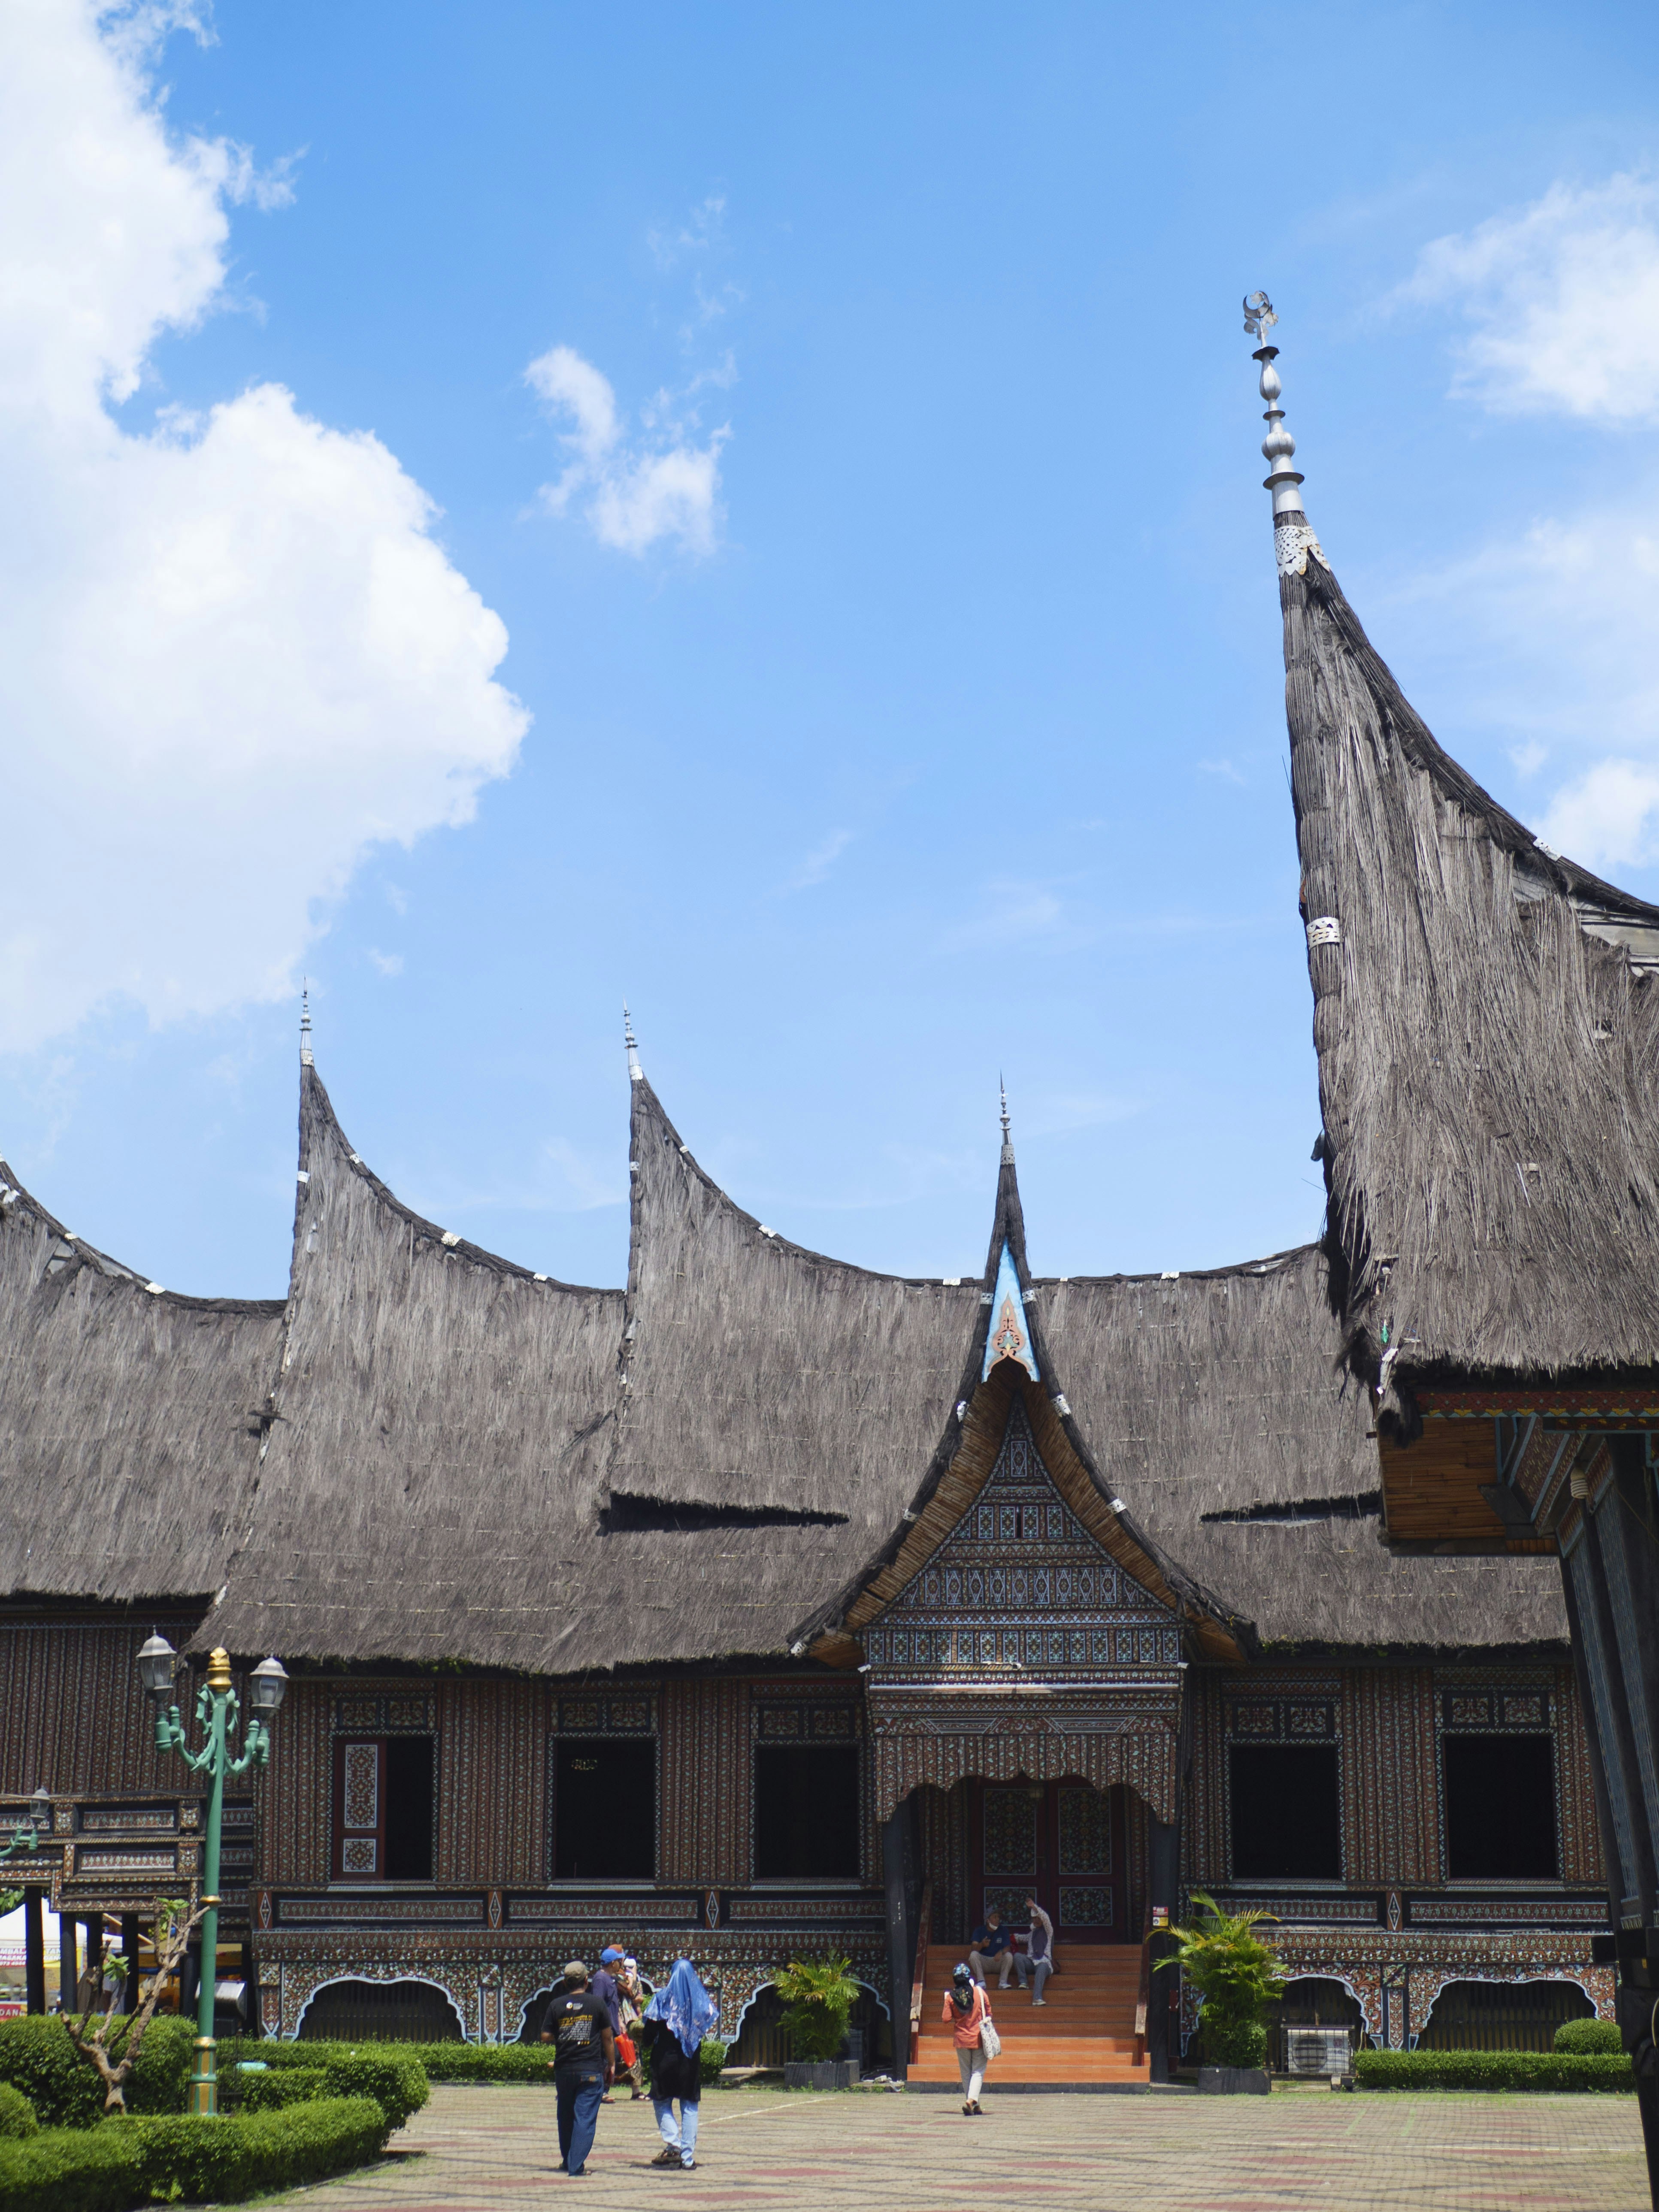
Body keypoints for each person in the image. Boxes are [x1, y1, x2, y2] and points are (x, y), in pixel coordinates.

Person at [640, 1955, 719, 2171]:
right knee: (690, 2106)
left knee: (662, 2101)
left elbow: (648, 2035)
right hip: (690, 2060)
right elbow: (707, 2022)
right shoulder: (700, 2002)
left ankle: (673, 2143)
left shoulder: (662, 1999)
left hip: (664, 2060)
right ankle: (688, 2159)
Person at [541, 1960, 615, 2178]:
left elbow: (545, 2036)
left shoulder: (557, 2005)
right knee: (584, 2118)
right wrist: (611, 2064)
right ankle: (576, 2166)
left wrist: (566, 2032)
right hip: (590, 2069)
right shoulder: (596, 2004)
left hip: (564, 2070)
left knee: (565, 2116)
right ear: (586, 1980)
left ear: (565, 1983)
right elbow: (607, 2037)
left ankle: (568, 2160)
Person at [942, 1961, 993, 2114]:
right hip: (979, 2037)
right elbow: (989, 2012)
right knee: (978, 2071)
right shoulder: (979, 1992)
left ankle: (974, 2105)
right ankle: (971, 2101)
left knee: (966, 2073)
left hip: (961, 2039)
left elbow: (946, 2019)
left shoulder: (950, 1997)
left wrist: (947, 2002)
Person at [592, 1949, 624, 2103]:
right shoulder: (600, 1979)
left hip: (613, 2026)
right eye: (619, 1961)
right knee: (606, 2058)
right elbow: (598, 2003)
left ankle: (604, 2089)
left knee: (613, 2057)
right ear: (613, 1963)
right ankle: (601, 2091)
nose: (621, 1963)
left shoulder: (610, 1979)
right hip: (605, 2028)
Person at [615, 1957, 647, 2101]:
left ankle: (636, 2091)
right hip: (619, 2019)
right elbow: (631, 1993)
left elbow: (638, 1996)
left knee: (634, 2054)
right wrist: (633, 1978)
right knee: (616, 2055)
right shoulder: (617, 1977)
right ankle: (604, 2089)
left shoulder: (630, 1978)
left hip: (631, 2019)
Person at [1014, 1895, 1054, 2005]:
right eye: (1034, 1918)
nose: (1036, 1920)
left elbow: (1046, 1918)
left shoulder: (1049, 1931)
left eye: (1038, 1918)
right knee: (1017, 1957)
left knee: (1042, 1969)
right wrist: (1008, 1936)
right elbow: (1020, 1938)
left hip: (1044, 1963)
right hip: (1031, 1962)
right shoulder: (1032, 1934)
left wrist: (1034, 1907)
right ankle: (1023, 1982)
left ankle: (1037, 1998)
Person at [968, 1908, 1014, 1989]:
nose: (998, 1919)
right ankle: (981, 1982)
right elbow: (974, 1948)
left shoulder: (1003, 1930)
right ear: (988, 1920)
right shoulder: (979, 1930)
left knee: (1009, 1956)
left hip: (997, 1962)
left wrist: (1001, 1952)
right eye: (995, 1917)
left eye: (998, 1917)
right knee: (973, 1955)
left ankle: (1003, 1983)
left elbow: (1008, 1947)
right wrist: (982, 1945)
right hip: (985, 1962)